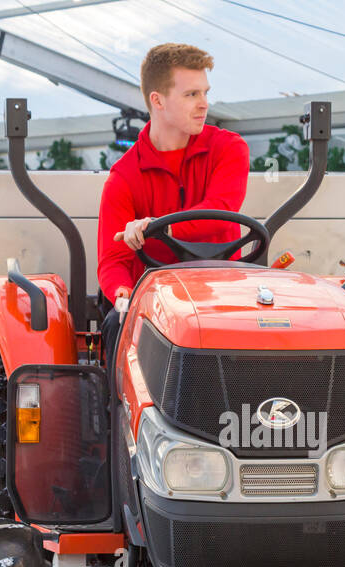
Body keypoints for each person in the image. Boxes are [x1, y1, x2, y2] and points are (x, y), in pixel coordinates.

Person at [96, 43, 250, 363]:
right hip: (156, 301)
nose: (204, 104)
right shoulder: (124, 178)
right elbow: (113, 260)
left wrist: (152, 227)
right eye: (191, 94)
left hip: (222, 294)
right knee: (116, 323)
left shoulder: (229, 148)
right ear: (158, 100)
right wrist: (122, 295)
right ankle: (119, 411)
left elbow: (220, 212)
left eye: (205, 93)